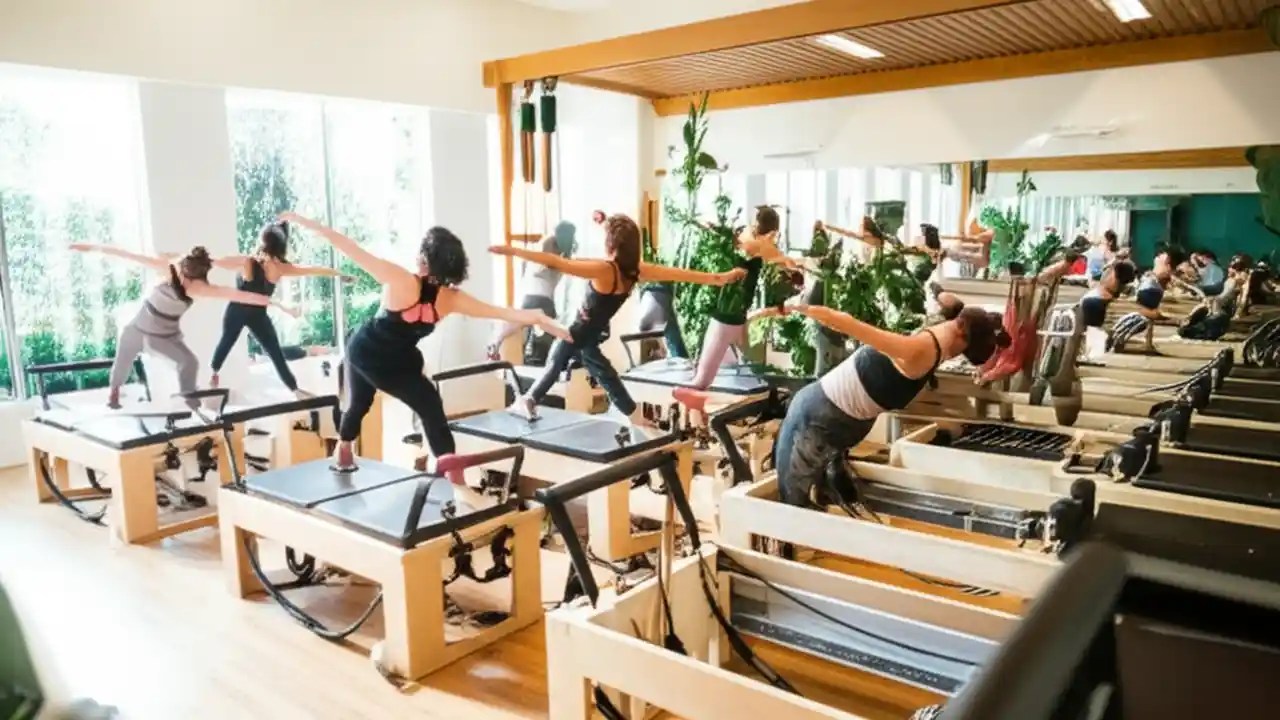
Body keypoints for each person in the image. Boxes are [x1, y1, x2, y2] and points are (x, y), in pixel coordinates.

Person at [280, 212, 571, 476]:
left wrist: (538, 317)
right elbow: (499, 312)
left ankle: (445, 465)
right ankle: (352, 449)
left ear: (425, 259)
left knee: (403, 403)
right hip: (369, 354)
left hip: (389, 357)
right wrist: (538, 318)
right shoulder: (444, 297)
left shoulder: (412, 284)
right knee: (382, 403)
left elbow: (353, 250)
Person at [490, 213, 747, 425]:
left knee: (557, 360)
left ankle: (528, 400)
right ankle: (633, 413)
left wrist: (513, 251)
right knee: (604, 373)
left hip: (575, 331)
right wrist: (722, 278)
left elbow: (556, 262)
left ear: (611, 245)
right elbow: (684, 275)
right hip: (593, 334)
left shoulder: (604, 271)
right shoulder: (637, 271)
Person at [753, 301, 1009, 506]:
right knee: (793, 497)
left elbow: (848, 323)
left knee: (800, 496)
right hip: (829, 418)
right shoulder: (931, 346)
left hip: (829, 420)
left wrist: (800, 307)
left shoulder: (931, 342)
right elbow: (946, 301)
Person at [69, 244, 293, 409]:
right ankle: (114, 393)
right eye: (186, 280)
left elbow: (243, 295)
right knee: (125, 349)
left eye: (192, 284)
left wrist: (277, 304)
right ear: (183, 271)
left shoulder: (203, 288)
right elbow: (128, 255)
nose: (187, 286)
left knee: (189, 362)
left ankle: (191, 401)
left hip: (165, 334)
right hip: (139, 326)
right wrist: (90, 248)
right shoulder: (170, 269)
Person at [671, 207, 796, 408]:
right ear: (772, 232)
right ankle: (683, 403)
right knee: (700, 382)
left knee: (734, 369)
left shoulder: (743, 237)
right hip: (726, 319)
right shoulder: (757, 245)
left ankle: (708, 418)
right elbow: (784, 261)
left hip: (733, 318)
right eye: (775, 235)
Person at [207, 220, 347, 396]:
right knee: (232, 342)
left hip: (249, 313)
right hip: (243, 312)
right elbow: (312, 269)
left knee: (272, 351)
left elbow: (224, 262)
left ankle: (295, 390)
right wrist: (339, 274)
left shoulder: (253, 262)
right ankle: (213, 375)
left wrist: (207, 261)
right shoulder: (271, 265)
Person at [485, 221, 576, 362]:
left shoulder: (544, 250)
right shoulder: (555, 254)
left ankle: (496, 341)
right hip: (543, 301)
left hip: (531, 297)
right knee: (553, 342)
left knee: (522, 321)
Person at [1106, 249, 1200, 352]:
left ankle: (1142, 342)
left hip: (1151, 287)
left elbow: (1167, 277)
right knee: (1143, 317)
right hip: (1152, 288)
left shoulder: (1164, 263)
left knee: (1143, 317)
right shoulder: (1169, 265)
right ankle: (1135, 341)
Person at [1178, 254, 1251, 341]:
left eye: (1237, 268)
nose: (1231, 269)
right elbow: (1215, 291)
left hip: (1222, 314)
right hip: (1216, 309)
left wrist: (1237, 315)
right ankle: (1190, 326)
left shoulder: (1242, 284)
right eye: (1232, 267)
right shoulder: (1230, 281)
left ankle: (1198, 329)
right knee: (1204, 307)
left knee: (1218, 315)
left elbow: (1241, 303)